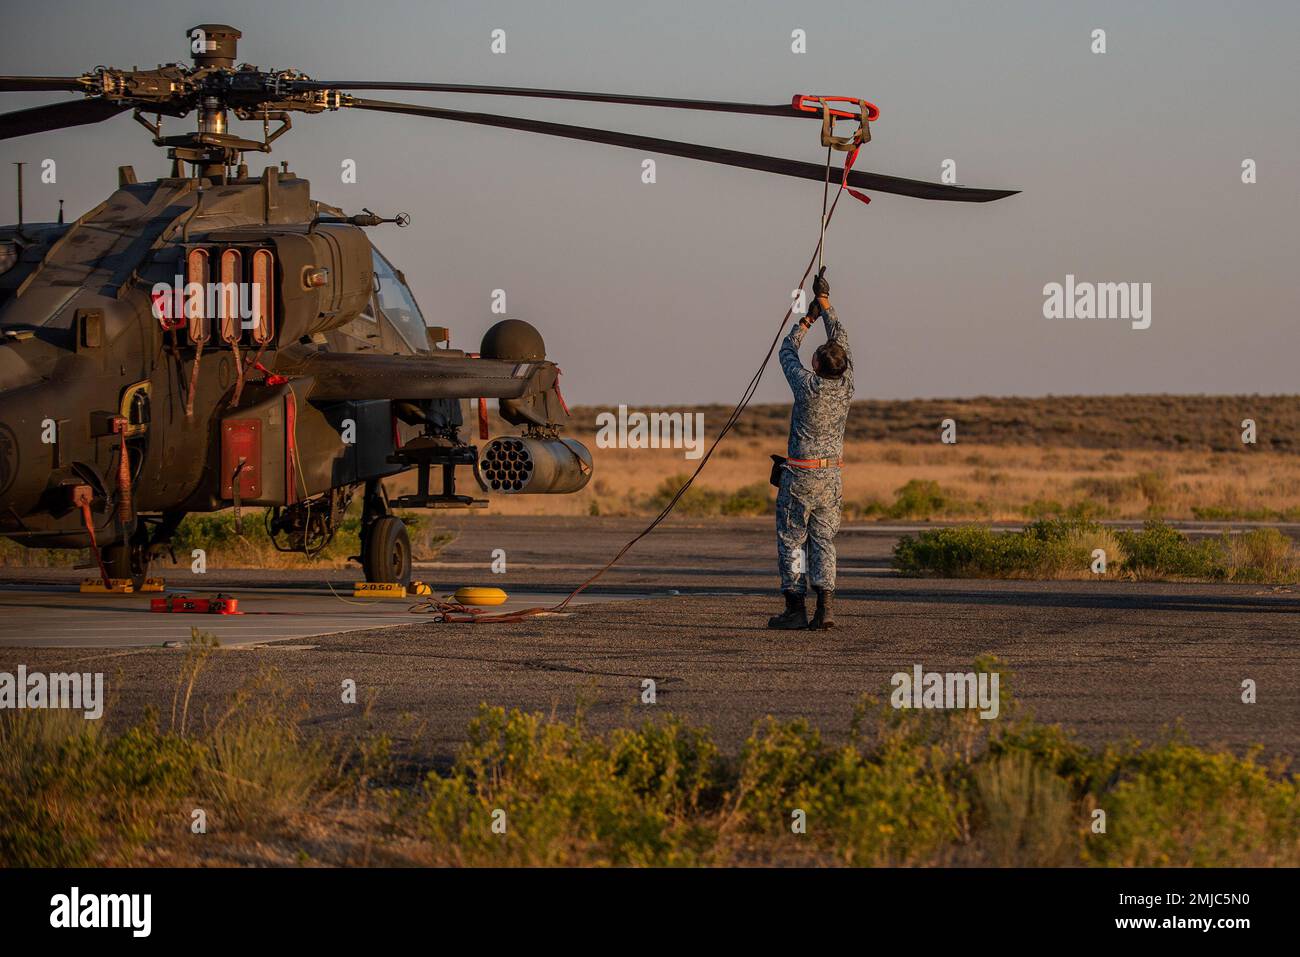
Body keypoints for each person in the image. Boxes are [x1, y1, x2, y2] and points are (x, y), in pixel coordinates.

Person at [768, 268, 852, 630]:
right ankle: (826, 609)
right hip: (831, 476)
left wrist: (808, 318)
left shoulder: (807, 385)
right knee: (824, 540)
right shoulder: (846, 384)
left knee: (792, 539)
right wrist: (827, 304)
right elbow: (841, 341)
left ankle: (795, 607)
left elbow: (787, 350)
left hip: (801, 475)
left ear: (816, 365)